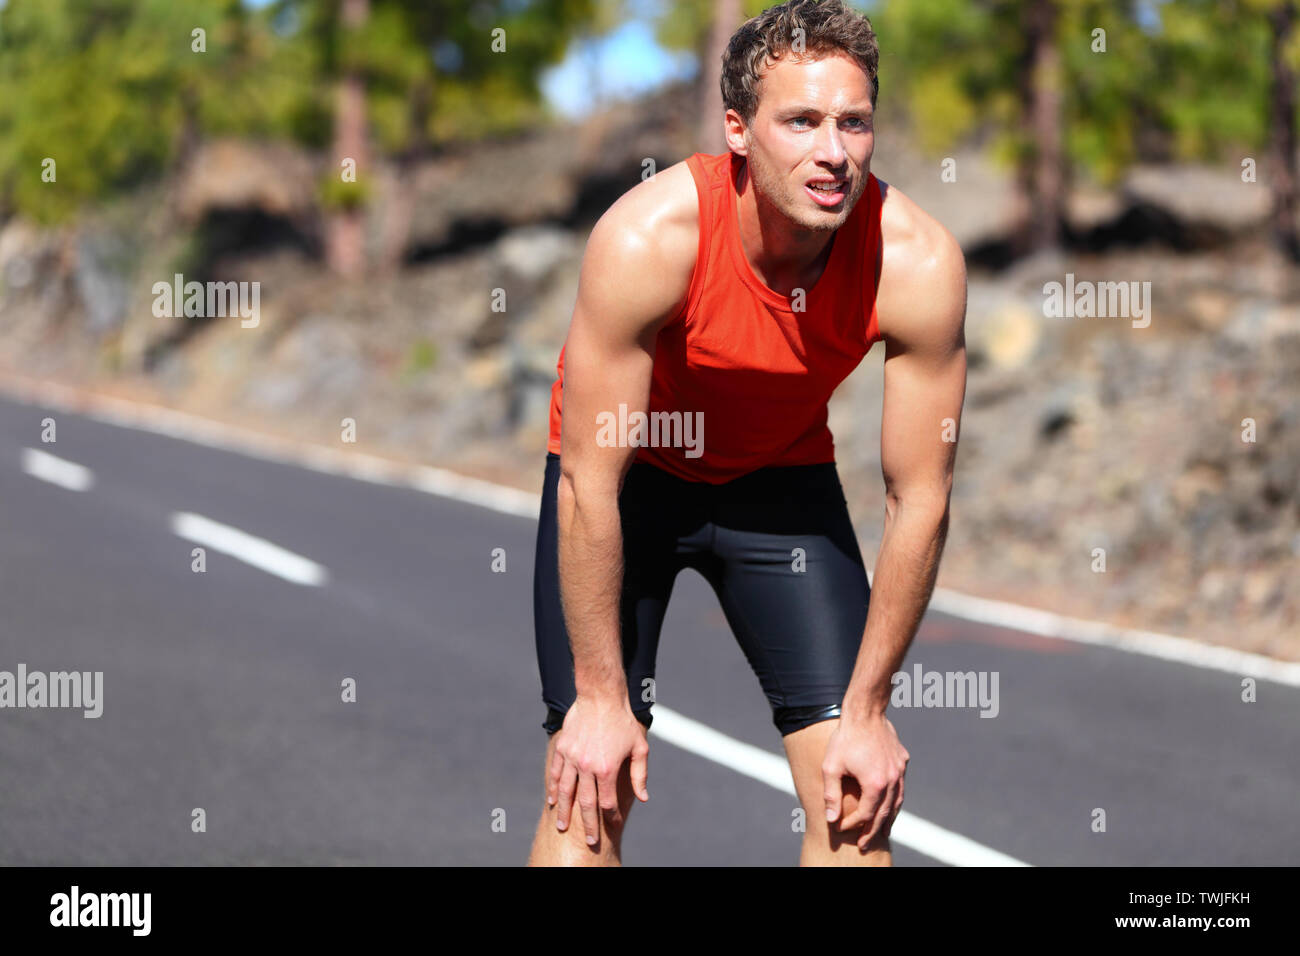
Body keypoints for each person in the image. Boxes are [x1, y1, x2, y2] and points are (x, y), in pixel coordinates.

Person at [527, 0, 967, 866]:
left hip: (780, 484)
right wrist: (600, 698)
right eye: (800, 121)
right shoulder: (650, 237)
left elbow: (921, 496)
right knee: (592, 790)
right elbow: (589, 482)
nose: (832, 152)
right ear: (738, 129)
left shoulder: (915, 262)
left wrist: (869, 711)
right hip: (633, 485)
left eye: (854, 123)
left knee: (854, 802)